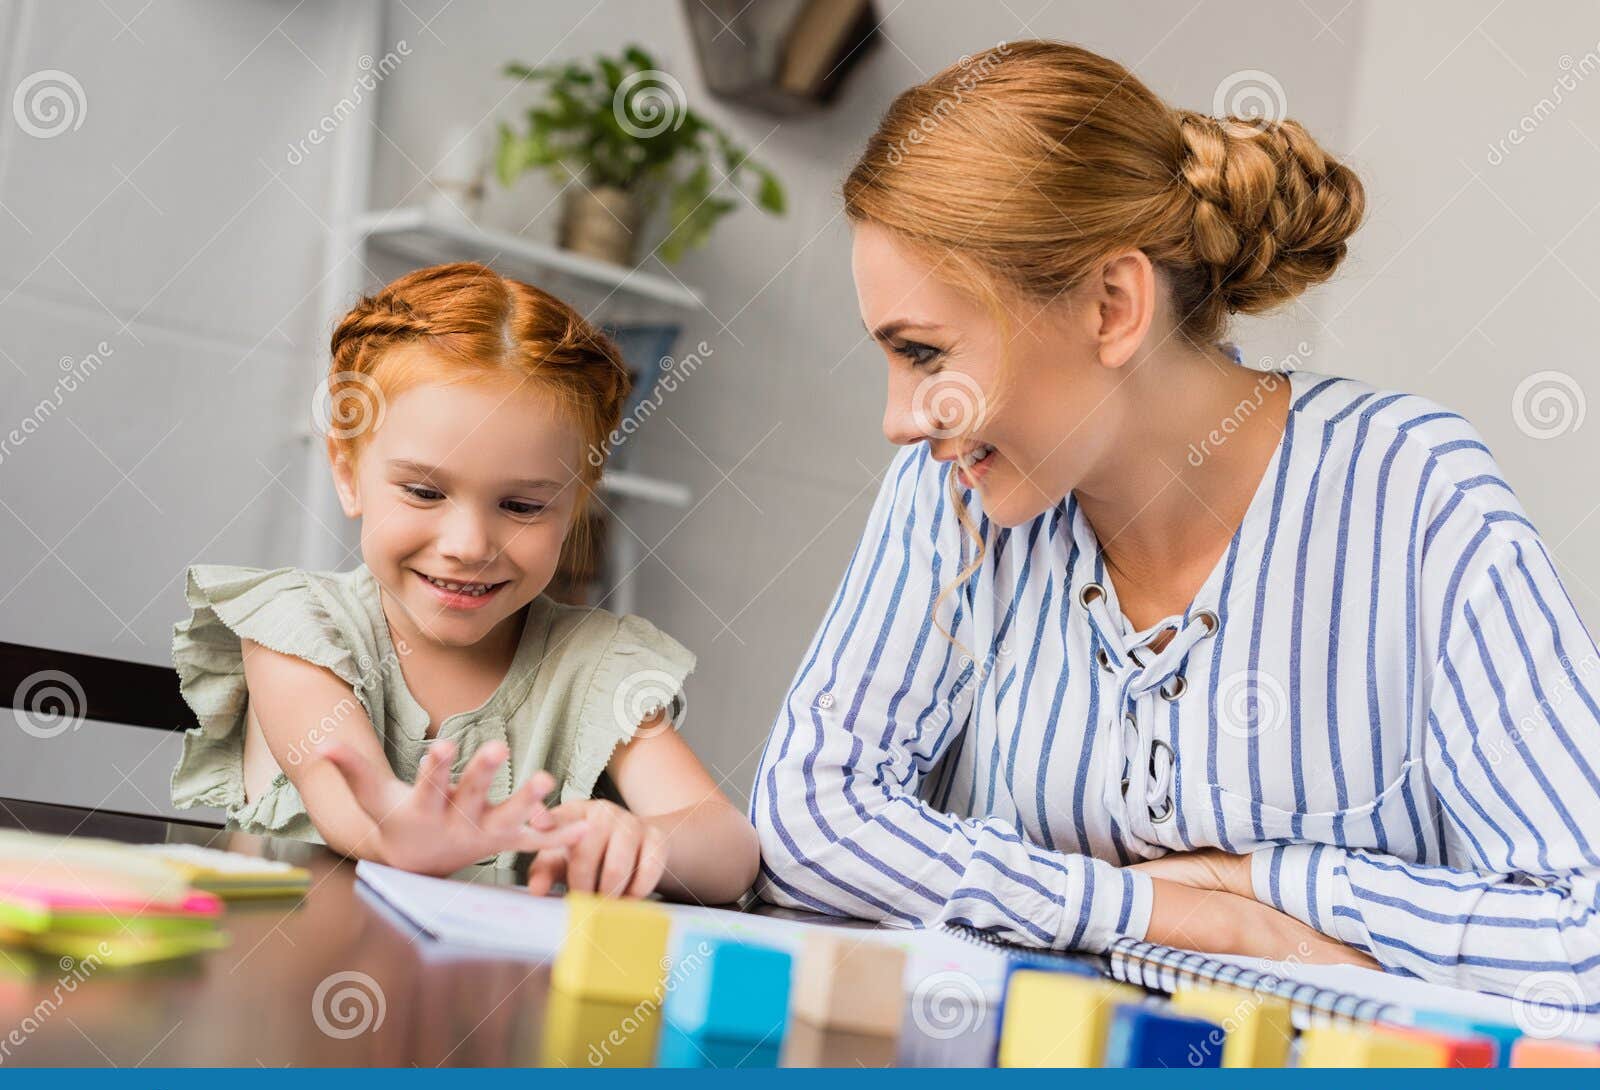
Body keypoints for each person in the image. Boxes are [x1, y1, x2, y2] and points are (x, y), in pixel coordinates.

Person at [752, 40, 1600, 1001]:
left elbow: (1587, 936)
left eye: (925, 353)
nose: (902, 418)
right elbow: (809, 820)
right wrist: (1155, 914)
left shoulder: (1413, 491)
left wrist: (1260, 883)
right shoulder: (954, 490)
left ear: (1113, 307)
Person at [171, 262, 758, 903]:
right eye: (424, 492)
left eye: (523, 506)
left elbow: (728, 851)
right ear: (347, 471)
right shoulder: (296, 630)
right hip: (294, 989)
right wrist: (401, 828)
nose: (470, 546)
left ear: (578, 502)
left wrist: (640, 839)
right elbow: (348, 796)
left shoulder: (594, 664)